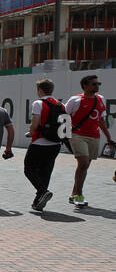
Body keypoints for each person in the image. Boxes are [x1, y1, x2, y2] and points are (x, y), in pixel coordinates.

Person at [65, 75, 112, 207]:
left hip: (94, 137)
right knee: (84, 163)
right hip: (77, 135)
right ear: (85, 86)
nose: (97, 86)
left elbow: (101, 121)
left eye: (98, 84)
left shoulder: (100, 99)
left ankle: (74, 193)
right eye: (94, 84)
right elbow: (64, 116)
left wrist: (108, 137)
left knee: (83, 167)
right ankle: (79, 196)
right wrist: (64, 135)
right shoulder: (75, 100)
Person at [25, 78, 65, 210]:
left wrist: (31, 132)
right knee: (46, 172)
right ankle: (38, 202)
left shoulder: (38, 103)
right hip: (55, 144)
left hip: (39, 142)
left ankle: (43, 191)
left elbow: (35, 123)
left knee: (29, 169)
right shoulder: (61, 105)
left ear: (40, 90)